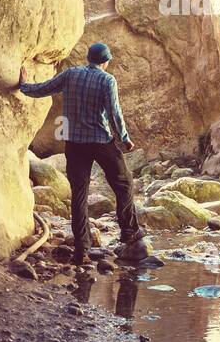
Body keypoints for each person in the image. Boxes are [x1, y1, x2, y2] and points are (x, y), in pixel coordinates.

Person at [17, 42, 149, 265]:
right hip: (100, 141)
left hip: (75, 143)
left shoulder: (71, 74)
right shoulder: (107, 80)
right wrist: (124, 139)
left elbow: (45, 88)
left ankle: (82, 250)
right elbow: (114, 113)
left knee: (79, 194)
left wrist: (24, 86)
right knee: (124, 183)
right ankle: (129, 232)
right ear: (105, 61)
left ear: (89, 58)